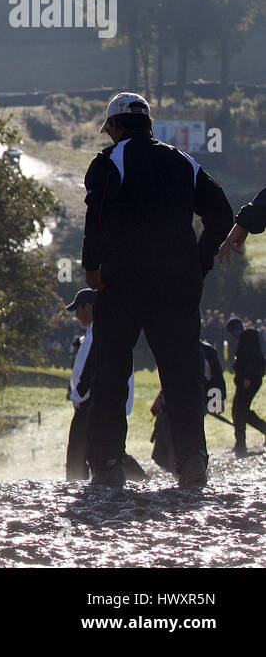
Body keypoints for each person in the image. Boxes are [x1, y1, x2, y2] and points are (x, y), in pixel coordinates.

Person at [81, 92, 232, 487]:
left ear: (114, 127)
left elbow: (97, 215)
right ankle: (192, 461)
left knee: (111, 371)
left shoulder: (109, 161)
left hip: (123, 281)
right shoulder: (184, 161)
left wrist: (91, 267)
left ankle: (109, 464)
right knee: (183, 374)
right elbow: (221, 213)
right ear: (149, 125)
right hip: (177, 284)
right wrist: (200, 260)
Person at [63, 288, 143, 481]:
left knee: (78, 450)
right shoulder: (104, 332)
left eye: (78, 309)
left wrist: (78, 396)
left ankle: (75, 486)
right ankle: (139, 479)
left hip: (90, 401)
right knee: (106, 446)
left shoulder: (94, 336)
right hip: (98, 400)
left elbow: (89, 369)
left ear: (89, 307)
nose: (76, 315)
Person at [151, 339, 226, 472]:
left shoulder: (207, 351)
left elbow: (216, 377)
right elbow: (171, 378)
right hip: (176, 398)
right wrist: (161, 398)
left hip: (198, 398)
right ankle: (176, 464)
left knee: (185, 428)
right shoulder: (177, 349)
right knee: (166, 429)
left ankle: (185, 464)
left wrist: (217, 401)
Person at [222, 317, 266, 457]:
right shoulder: (248, 339)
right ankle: (240, 444)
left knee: (239, 411)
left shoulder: (249, 339)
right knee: (240, 411)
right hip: (247, 380)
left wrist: (247, 376)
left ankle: (241, 445)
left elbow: (252, 359)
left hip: (249, 381)